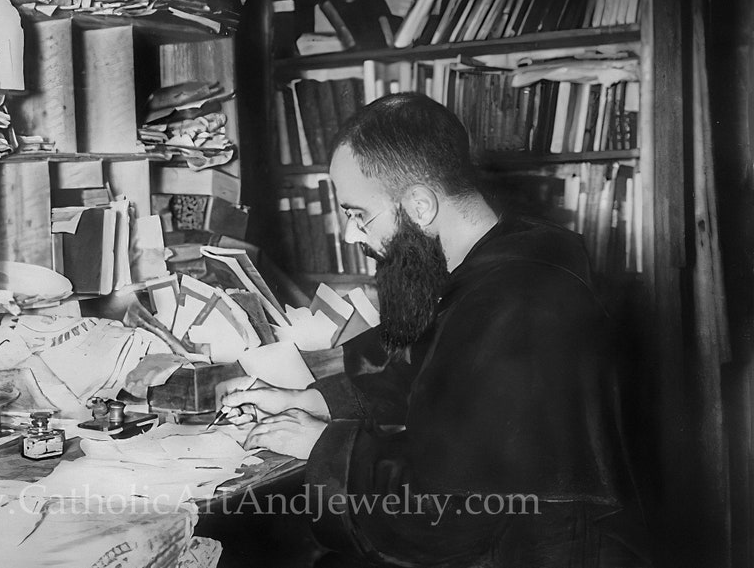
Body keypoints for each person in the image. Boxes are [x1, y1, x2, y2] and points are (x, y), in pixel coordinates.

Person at [221, 92, 649, 567]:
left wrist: (320, 444)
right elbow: (425, 365)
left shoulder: (515, 305)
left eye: (357, 214)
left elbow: (441, 517)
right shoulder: (504, 253)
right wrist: (312, 400)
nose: (350, 236)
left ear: (420, 205)